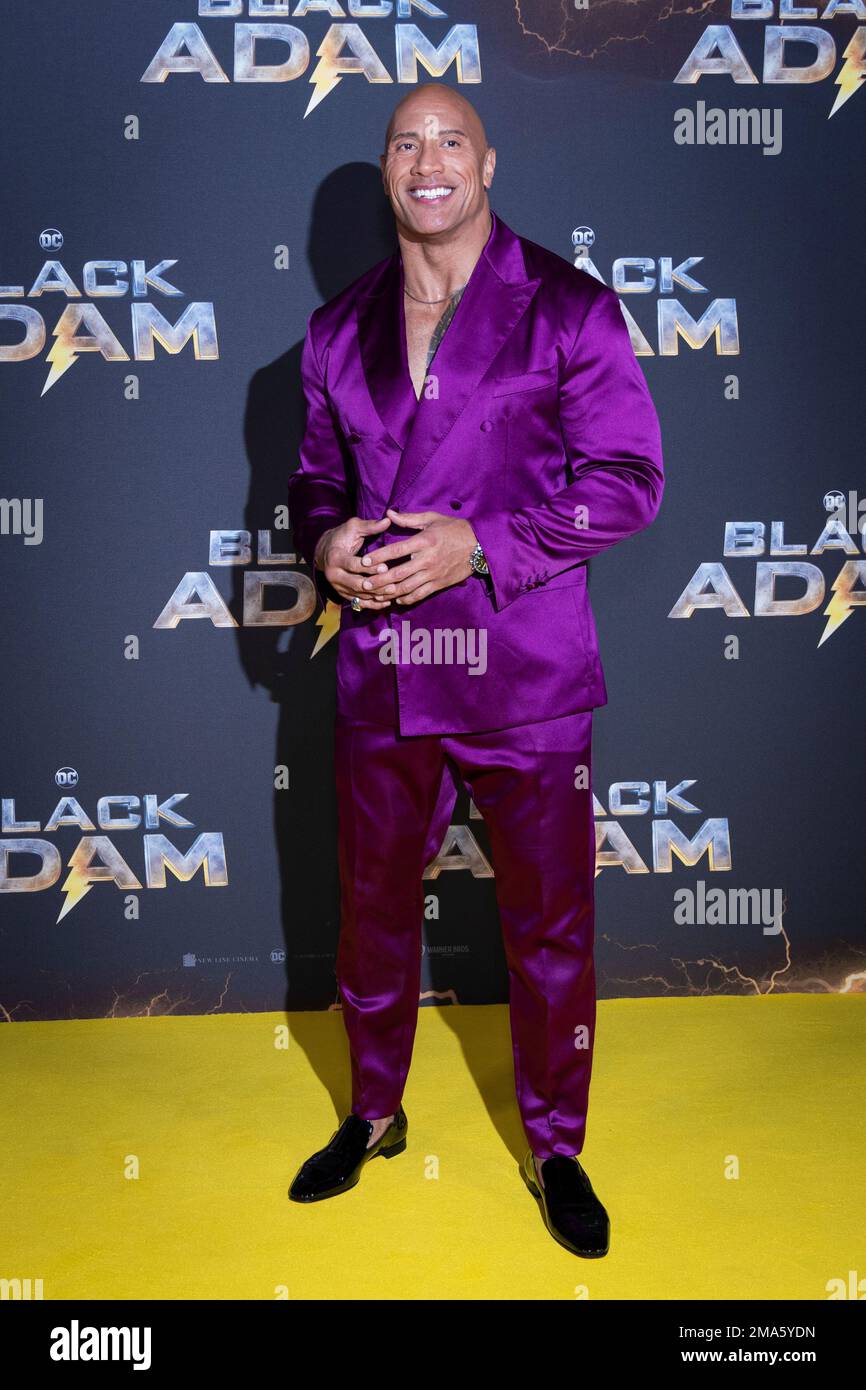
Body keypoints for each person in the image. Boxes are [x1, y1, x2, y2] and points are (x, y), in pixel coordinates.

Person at [286, 83, 664, 1259]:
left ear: (487, 164)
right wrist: (323, 540)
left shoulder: (569, 308)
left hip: (526, 680)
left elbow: (628, 480)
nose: (428, 159)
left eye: (450, 139)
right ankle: (373, 1110)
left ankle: (554, 1145)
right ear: (386, 170)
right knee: (371, 919)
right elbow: (310, 477)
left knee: (549, 928)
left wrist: (479, 546)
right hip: (385, 673)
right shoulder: (336, 330)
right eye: (406, 142)